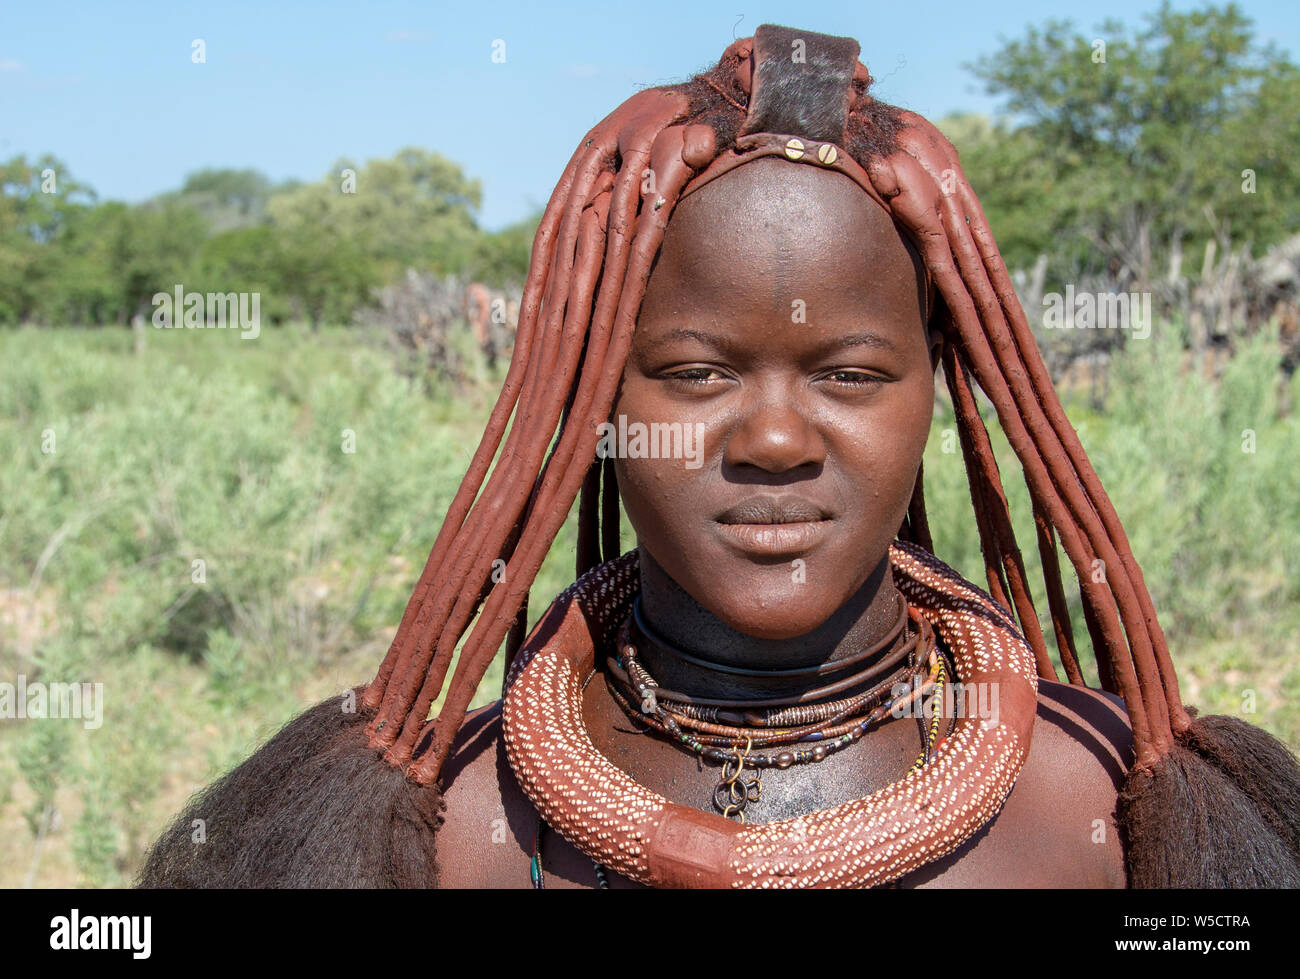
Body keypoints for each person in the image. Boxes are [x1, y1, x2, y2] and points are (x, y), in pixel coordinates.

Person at [140, 24, 1300, 889]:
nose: (776, 441)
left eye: (849, 374)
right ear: (599, 398)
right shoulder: (459, 829)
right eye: (696, 373)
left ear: (935, 389)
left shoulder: (1093, 809)